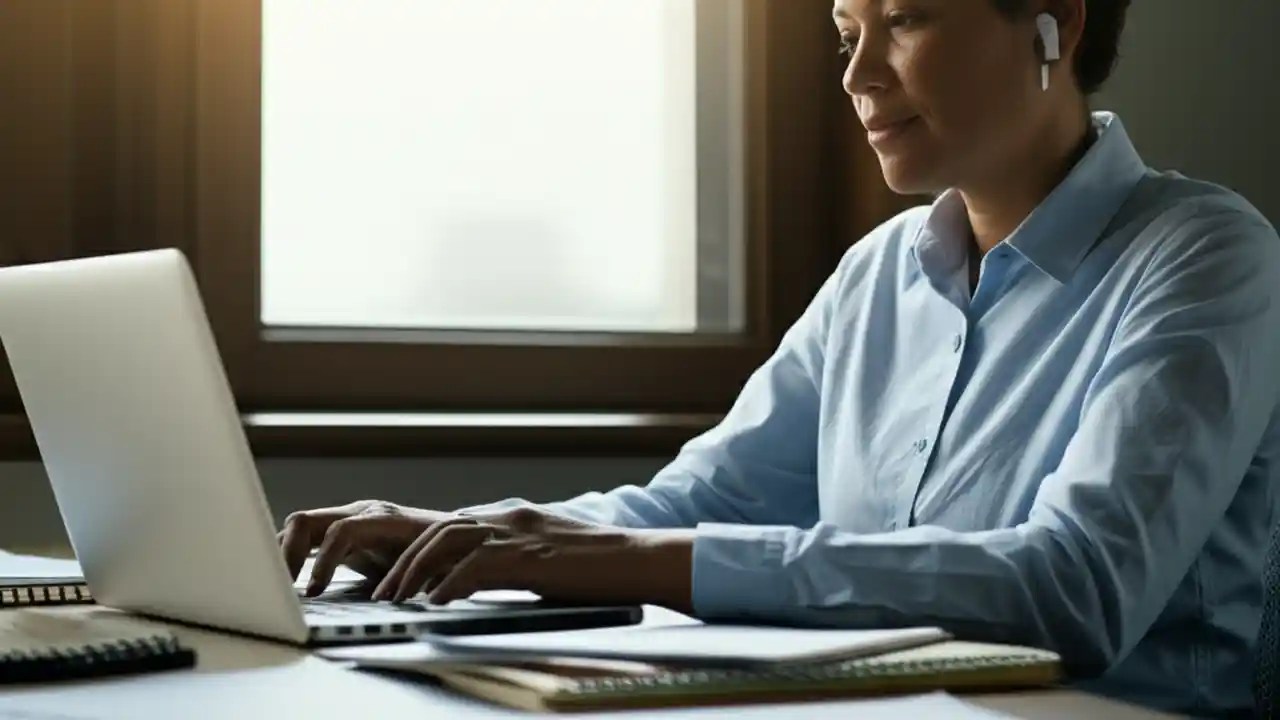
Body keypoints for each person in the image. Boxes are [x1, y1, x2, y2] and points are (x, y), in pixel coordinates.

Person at [277, 0, 1280, 714]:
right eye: (846, 33)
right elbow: (688, 507)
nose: (856, 74)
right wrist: (459, 534)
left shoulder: (1202, 251)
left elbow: (1074, 589)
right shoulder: (878, 272)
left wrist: (620, 559)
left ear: (1050, 23)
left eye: (905, 21)